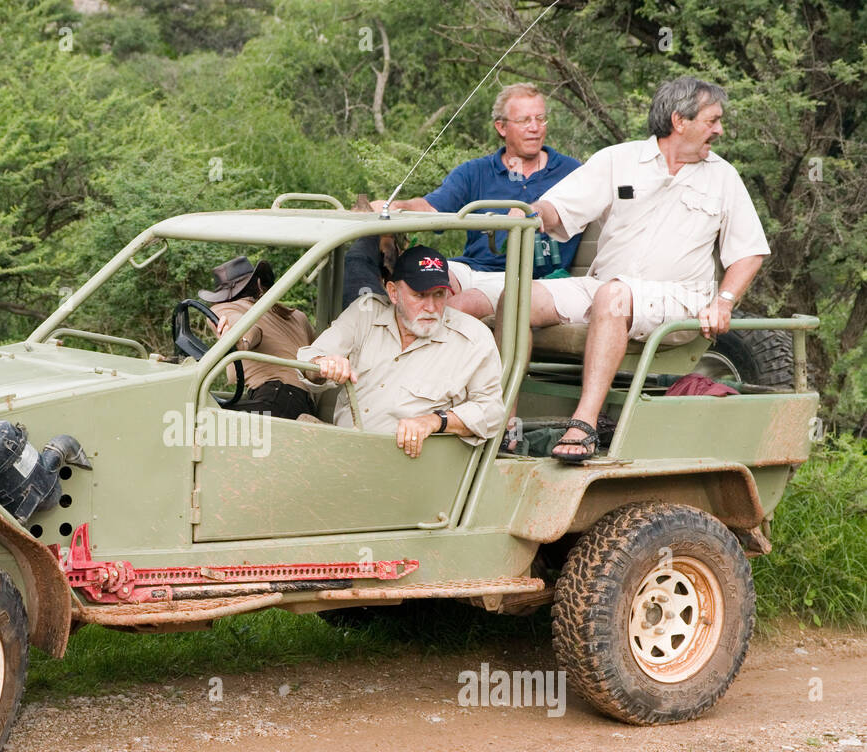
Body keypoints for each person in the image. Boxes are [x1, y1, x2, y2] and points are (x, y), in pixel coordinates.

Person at [513, 76, 770, 462]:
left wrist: (726, 301)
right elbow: (557, 208)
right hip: (606, 285)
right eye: (712, 120)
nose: (719, 129)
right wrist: (533, 213)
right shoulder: (618, 159)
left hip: (678, 297)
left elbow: (749, 251)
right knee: (516, 298)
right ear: (679, 121)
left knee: (614, 295)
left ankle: (585, 422)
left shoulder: (723, 177)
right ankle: (505, 423)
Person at [370, 83, 582, 318]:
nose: (534, 128)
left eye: (540, 119)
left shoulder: (572, 172)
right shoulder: (475, 171)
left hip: (527, 280)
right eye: (524, 121)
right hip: (471, 269)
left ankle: (443, 352)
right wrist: (399, 206)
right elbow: (432, 206)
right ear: (501, 127)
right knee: (423, 281)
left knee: (457, 308)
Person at [297, 246, 505, 457]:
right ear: (394, 293)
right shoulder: (365, 313)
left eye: (439, 295)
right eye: (420, 295)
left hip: (414, 466)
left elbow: (492, 411)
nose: (431, 307)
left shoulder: (472, 337)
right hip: (342, 453)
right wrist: (324, 363)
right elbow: (308, 359)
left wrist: (436, 421)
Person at [200, 256, 318, 420]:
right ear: (258, 284)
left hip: (276, 398)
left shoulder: (224, 308)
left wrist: (238, 339)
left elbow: (248, 331)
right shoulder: (298, 316)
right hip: (304, 405)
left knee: (197, 419)